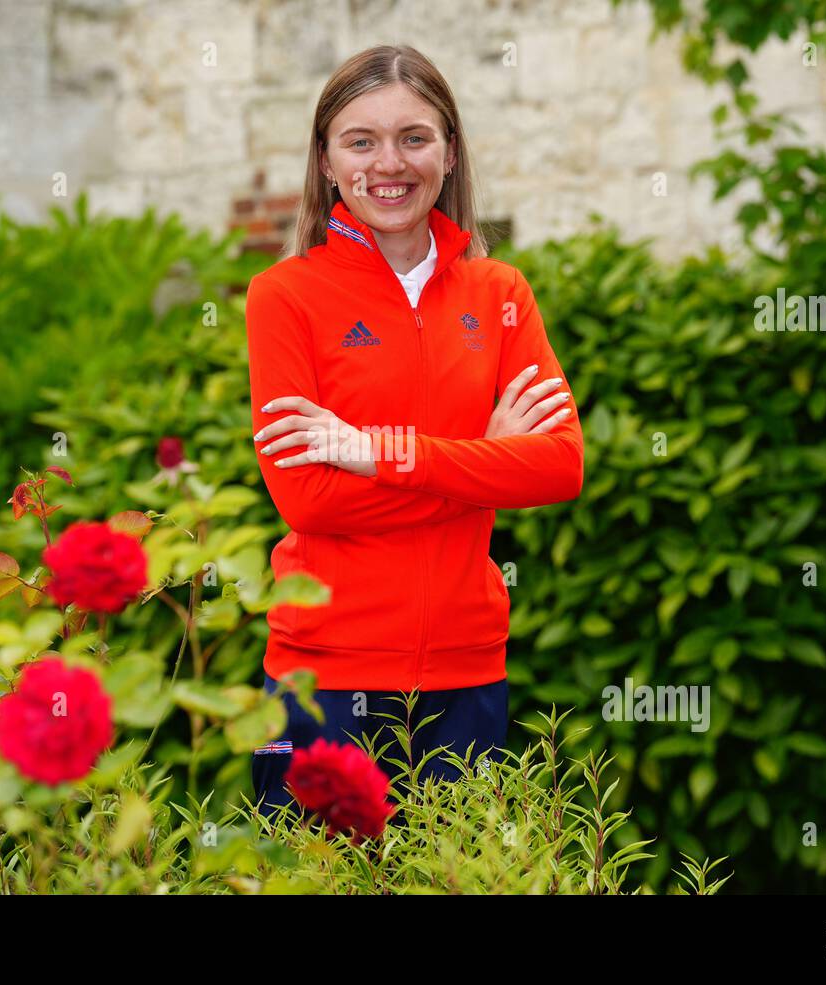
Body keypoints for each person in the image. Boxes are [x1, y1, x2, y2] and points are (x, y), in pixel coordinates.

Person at [244, 44, 584, 818]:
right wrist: (484, 465)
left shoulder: (501, 292)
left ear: (450, 152)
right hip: (321, 678)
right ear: (327, 161)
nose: (389, 163)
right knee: (315, 876)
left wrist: (374, 453)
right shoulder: (283, 296)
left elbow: (559, 466)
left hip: (468, 673)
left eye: (414, 137)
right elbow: (309, 501)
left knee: (461, 871)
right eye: (360, 141)